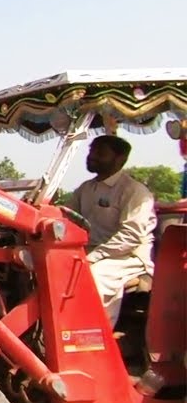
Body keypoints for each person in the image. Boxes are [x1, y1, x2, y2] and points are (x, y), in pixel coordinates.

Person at [66, 134, 158, 328]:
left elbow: (131, 236)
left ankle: (95, 335)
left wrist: (93, 256)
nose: (91, 156)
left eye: (100, 152)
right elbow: (66, 219)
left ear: (120, 159)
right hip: (92, 251)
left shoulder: (134, 191)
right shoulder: (85, 188)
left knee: (92, 276)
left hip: (128, 257)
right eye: (91, 150)